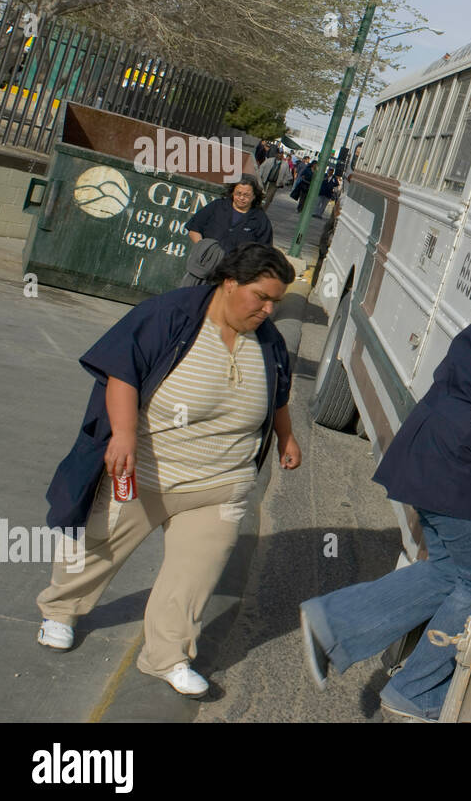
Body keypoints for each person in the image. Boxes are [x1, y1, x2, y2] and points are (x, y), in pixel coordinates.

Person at [299, 243, 471, 721]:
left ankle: (334, 626)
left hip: (449, 462)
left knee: (449, 574)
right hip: (456, 467)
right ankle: (414, 688)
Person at [37, 244, 302, 696]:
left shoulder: (268, 338)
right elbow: (123, 370)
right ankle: (61, 612)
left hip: (222, 483)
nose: (268, 308)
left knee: (194, 576)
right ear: (230, 282)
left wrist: (286, 436)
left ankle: (167, 656)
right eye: (261, 296)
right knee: (101, 548)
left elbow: (276, 392)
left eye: (276, 300)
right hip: (146, 472)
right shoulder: (170, 314)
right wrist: (122, 433)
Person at [185, 174, 274, 253]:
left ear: (254, 196)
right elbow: (194, 229)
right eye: (238, 194)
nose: (241, 198)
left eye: (246, 195)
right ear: (232, 193)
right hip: (205, 265)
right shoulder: (217, 206)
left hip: (235, 269)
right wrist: (203, 249)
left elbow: (264, 251)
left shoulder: (261, 220)